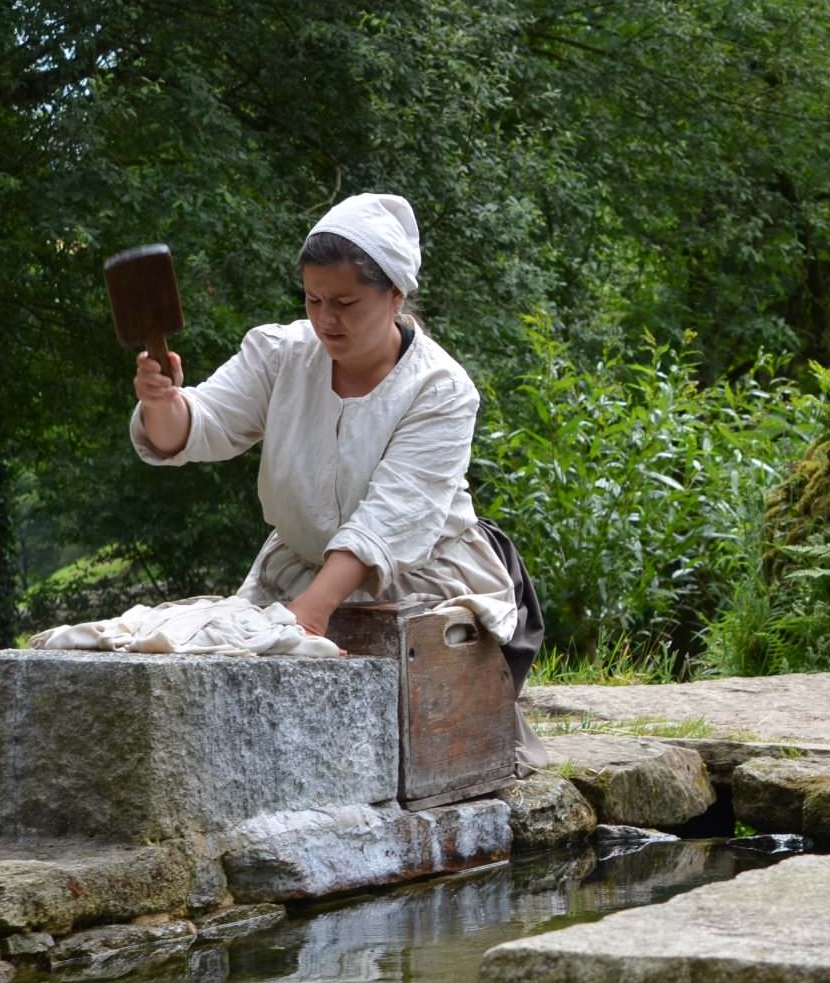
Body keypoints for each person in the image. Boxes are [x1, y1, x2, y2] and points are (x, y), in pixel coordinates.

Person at [131, 192, 548, 769]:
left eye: (346, 303)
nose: (325, 319)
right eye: (313, 299)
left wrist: (310, 614)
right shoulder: (279, 354)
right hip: (300, 571)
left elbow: (388, 519)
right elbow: (196, 427)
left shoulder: (440, 390)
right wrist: (162, 401)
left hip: (414, 575)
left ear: (395, 295)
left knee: (380, 742)